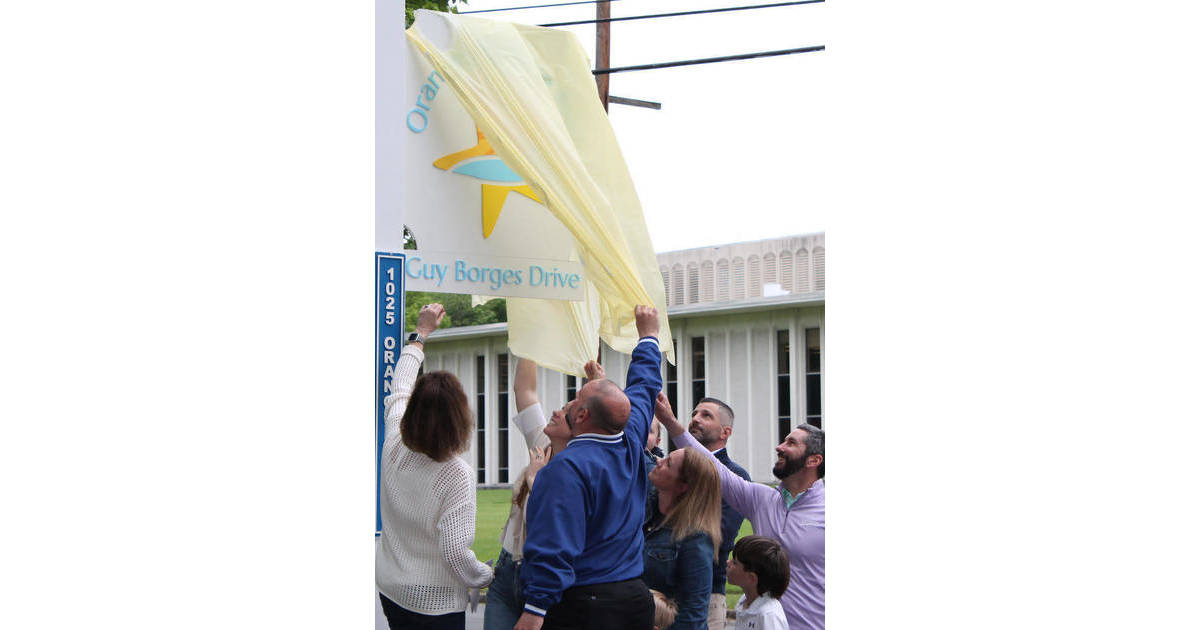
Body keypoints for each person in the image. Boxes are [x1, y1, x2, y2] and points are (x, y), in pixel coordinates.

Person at [514, 305, 664, 630]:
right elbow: (644, 385)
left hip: (585, 605)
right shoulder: (631, 440)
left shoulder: (565, 469)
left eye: (577, 398)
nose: (570, 401)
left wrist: (535, 609)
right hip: (635, 599)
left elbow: (553, 543)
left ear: (582, 416)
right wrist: (649, 336)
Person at [656, 393, 825, 630]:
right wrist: (670, 422)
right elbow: (712, 467)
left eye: (791, 443)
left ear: (814, 460)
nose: (779, 447)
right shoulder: (761, 498)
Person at [376, 303, 493, 629]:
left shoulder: (394, 441)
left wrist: (421, 333)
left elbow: (400, 386)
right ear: (460, 420)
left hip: (391, 588)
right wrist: (485, 575)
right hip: (434, 605)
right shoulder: (457, 474)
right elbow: (455, 552)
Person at [481, 358, 595, 630]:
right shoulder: (543, 445)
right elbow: (525, 390)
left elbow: (563, 523)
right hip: (507, 571)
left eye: (565, 412)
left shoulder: (585, 470)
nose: (555, 411)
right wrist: (529, 343)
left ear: (579, 427)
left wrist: (535, 483)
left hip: (545, 581)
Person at [684, 397, 753, 630]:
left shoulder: (736, 477)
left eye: (706, 415)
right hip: (661, 586)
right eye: (694, 414)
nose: (695, 419)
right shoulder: (675, 466)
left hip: (707, 591)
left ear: (725, 432)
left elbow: (720, 533)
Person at [643, 447, 723, 630]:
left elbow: (693, 614)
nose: (659, 461)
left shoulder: (695, 538)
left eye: (668, 463)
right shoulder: (647, 512)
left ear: (682, 486)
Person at [726, 536, 790, 630]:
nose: (728, 562)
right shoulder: (745, 601)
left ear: (751, 578)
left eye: (735, 563)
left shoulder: (768, 615)